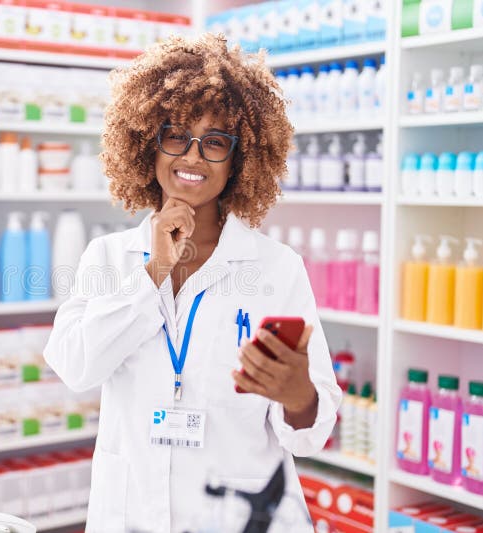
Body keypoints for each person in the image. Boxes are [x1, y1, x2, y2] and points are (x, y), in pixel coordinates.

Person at [43, 33, 341, 533]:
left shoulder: (276, 268)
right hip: (133, 514)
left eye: (216, 142)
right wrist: (153, 271)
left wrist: (298, 397)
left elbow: (310, 431)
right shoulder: (109, 258)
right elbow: (75, 366)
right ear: (146, 142)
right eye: (176, 135)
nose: (194, 156)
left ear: (240, 160)